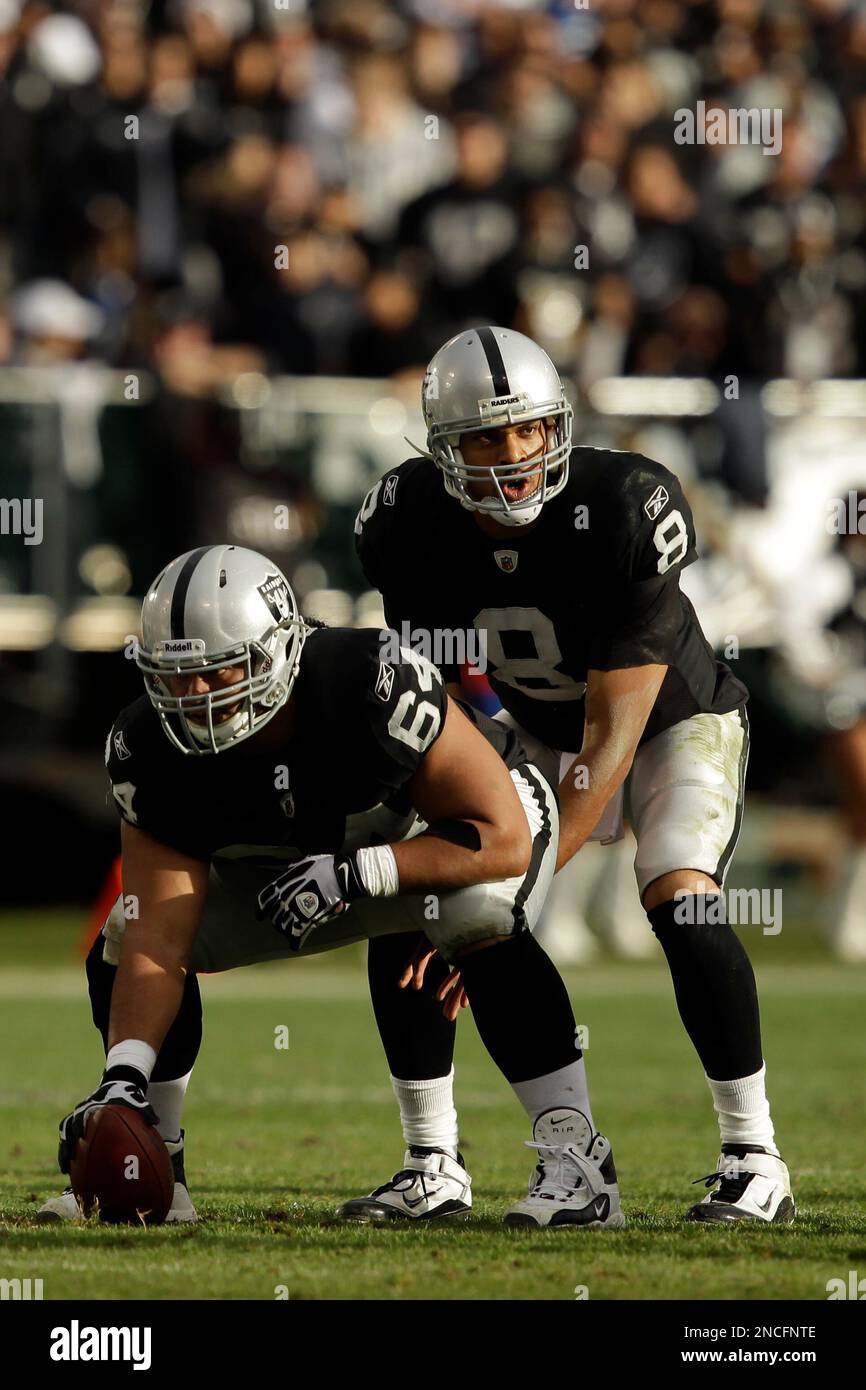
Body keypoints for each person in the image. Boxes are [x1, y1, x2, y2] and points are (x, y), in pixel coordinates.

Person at [41, 543, 623, 1229]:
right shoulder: (148, 744)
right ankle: (158, 1169)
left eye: (219, 670)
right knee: (121, 938)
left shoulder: (367, 680)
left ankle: (574, 1160)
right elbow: (156, 939)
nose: (196, 698)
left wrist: (361, 873)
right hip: (293, 869)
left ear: (280, 649)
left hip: (456, 832)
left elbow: (498, 837)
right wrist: (123, 1078)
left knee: (471, 912)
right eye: (176, 676)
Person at [355, 326, 795, 1225]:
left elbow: (606, 748)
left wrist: (510, 886)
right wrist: (437, 864)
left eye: (529, 430)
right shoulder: (405, 521)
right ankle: (434, 1161)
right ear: (442, 448)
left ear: (559, 424)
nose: (514, 456)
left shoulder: (626, 504)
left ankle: (755, 1156)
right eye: (486, 436)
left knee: (680, 894)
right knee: (419, 886)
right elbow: (431, 699)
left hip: (672, 723)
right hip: (531, 725)